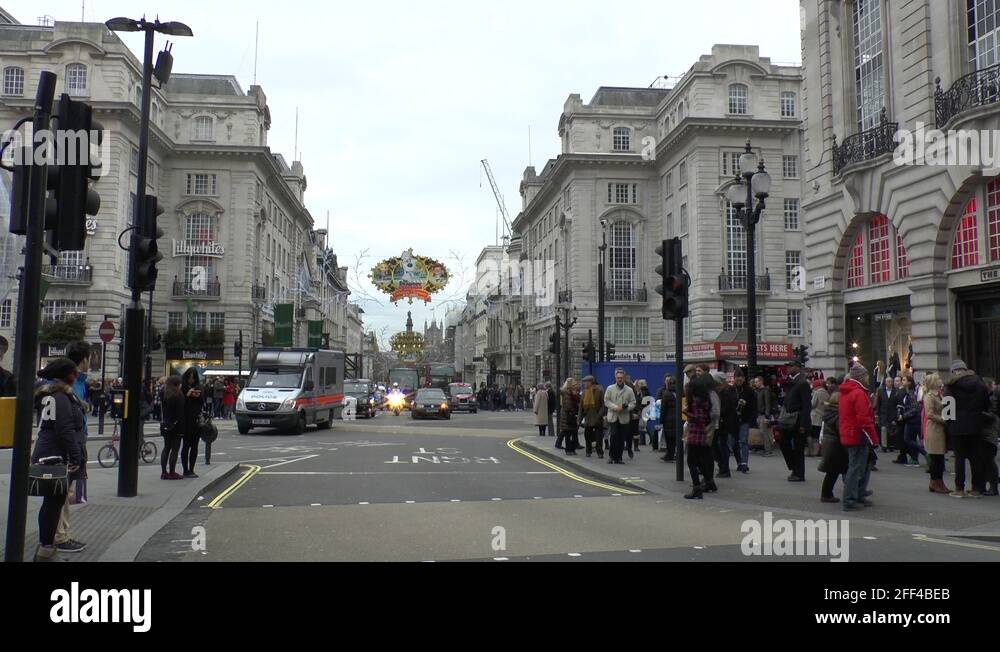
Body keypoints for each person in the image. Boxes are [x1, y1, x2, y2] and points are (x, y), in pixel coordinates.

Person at [30, 358, 85, 562]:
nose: (77, 374)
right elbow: (64, 429)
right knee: (53, 504)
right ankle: (46, 550)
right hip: (57, 455)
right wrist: (75, 455)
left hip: (48, 451)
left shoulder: (49, 394)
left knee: (51, 504)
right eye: (74, 372)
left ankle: (46, 548)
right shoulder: (61, 396)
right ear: (66, 375)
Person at [48, 342, 91, 554]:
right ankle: (58, 537)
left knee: (64, 493)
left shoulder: (78, 383)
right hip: (69, 444)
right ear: (82, 359)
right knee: (61, 494)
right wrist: (75, 454)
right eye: (89, 357)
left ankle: (59, 535)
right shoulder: (65, 390)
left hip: (75, 441)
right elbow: (66, 425)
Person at [945, 361, 991, 498]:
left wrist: (949, 424)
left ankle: (959, 488)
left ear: (954, 371)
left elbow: (947, 410)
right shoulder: (979, 383)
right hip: (975, 425)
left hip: (957, 426)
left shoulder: (951, 385)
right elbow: (986, 404)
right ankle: (977, 488)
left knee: (959, 458)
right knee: (975, 457)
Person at [839, 364, 879, 512]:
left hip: (849, 433)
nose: (868, 378)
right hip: (858, 435)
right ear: (861, 377)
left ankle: (858, 494)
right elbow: (864, 419)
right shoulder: (858, 393)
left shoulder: (846, 391)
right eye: (867, 375)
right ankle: (850, 499)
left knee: (861, 466)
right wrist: (874, 438)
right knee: (856, 468)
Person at [683, 373, 717, 500]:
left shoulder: (696, 402)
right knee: (700, 460)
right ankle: (709, 481)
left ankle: (697, 488)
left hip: (695, 434)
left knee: (691, 461)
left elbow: (699, 419)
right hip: (701, 434)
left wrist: (686, 412)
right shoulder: (705, 400)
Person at [779, 360, 812, 482]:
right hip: (789, 418)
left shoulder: (802, 383)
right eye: (788, 366)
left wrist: (803, 424)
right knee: (783, 442)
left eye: (791, 366)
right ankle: (794, 467)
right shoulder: (792, 381)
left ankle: (798, 473)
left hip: (798, 420)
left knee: (798, 448)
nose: (788, 368)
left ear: (798, 367)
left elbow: (806, 405)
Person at [818, 377, 847, 503]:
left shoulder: (829, 412)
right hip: (835, 445)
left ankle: (827, 493)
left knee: (832, 471)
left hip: (829, 443)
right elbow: (840, 430)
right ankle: (827, 494)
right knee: (834, 471)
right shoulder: (837, 414)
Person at [922, 374, 950, 495]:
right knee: (935, 458)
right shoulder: (929, 396)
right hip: (934, 429)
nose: (940, 380)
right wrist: (944, 420)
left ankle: (939, 481)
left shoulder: (939, 395)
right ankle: (935, 482)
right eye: (938, 379)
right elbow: (930, 414)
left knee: (940, 458)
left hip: (940, 429)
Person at [605, 369, 636, 465]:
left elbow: (633, 402)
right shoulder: (610, 388)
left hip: (624, 417)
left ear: (624, 378)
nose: (619, 379)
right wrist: (615, 407)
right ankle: (611, 456)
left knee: (621, 438)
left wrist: (626, 408)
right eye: (618, 378)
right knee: (613, 436)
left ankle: (619, 458)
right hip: (613, 416)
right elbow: (606, 401)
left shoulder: (629, 390)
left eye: (621, 378)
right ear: (615, 378)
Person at [730, 370, 757, 473]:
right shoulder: (731, 390)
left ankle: (744, 463)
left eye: (741, 377)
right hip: (733, 420)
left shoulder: (749, 391)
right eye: (737, 377)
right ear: (734, 378)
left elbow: (754, 406)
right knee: (733, 443)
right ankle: (739, 462)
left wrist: (746, 404)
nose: (739, 379)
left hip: (744, 419)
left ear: (744, 379)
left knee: (743, 440)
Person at [180, 368, 205, 478]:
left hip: (196, 421)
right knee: (186, 446)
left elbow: (202, 403)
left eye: (193, 377)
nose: (191, 379)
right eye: (189, 377)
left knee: (194, 446)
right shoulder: (182, 388)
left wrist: (198, 396)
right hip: (186, 421)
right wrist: (187, 395)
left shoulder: (198, 388)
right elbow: (180, 404)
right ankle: (185, 470)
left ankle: (192, 469)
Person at [895, 376, 924, 467]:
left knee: (909, 439)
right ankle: (915, 459)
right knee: (911, 439)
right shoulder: (906, 392)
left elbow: (915, 408)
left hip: (913, 419)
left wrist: (903, 416)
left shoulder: (911, 393)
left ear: (909, 382)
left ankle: (924, 453)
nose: (902, 382)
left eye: (904, 380)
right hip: (911, 419)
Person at [160, 376, 185, 480]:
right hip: (176, 425)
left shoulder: (164, 393)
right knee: (175, 449)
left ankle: (164, 472)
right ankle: (172, 472)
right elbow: (180, 412)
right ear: (177, 384)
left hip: (165, 423)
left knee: (166, 447)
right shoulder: (179, 395)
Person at [873, 377, 900, 454]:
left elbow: (896, 403)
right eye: (888, 382)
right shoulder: (881, 391)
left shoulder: (895, 392)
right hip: (883, 413)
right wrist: (877, 414)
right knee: (884, 429)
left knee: (891, 429)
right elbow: (878, 403)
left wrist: (896, 415)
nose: (889, 383)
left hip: (892, 413)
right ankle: (884, 446)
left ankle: (890, 445)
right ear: (885, 383)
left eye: (891, 382)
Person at [581, 375, 605, 459]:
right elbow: (581, 407)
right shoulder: (584, 392)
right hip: (588, 417)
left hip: (597, 417)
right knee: (587, 435)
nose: (584, 384)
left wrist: (600, 415)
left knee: (599, 436)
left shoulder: (600, 390)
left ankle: (600, 452)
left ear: (590, 382)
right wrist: (579, 419)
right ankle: (588, 450)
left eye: (585, 382)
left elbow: (603, 405)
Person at [657, 375, 678, 462]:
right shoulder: (681, 392)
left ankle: (669, 455)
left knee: (669, 439)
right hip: (678, 419)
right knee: (677, 439)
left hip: (668, 419)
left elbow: (663, 409)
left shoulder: (666, 394)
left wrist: (661, 421)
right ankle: (676, 455)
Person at [753, 376, 775, 456]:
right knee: (763, 432)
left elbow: (767, 404)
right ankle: (766, 449)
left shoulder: (765, 391)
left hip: (763, 415)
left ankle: (768, 450)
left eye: (756, 382)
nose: (755, 384)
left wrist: (767, 416)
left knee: (764, 432)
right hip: (759, 414)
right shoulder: (758, 391)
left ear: (761, 381)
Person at [559, 378, 581, 456]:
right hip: (567, 417)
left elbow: (579, 404)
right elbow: (568, 407)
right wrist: (575, 410)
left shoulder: (576, 395)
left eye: (577, 390)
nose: (577, 391)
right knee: (568, 435)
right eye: (575, 389)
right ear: (571, 388)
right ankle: (568, 450)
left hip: (573, 417)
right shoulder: (567, 394)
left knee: (574, 434)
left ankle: (572, 449)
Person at [809, 378, 829, 458]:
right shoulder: (827, 393)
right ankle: (819, 451)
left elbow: (812, 404)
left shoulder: (816, 393)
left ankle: (814, 451)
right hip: (822, 416)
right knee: (819, 435)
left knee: (813, 435)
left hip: (814, 416)